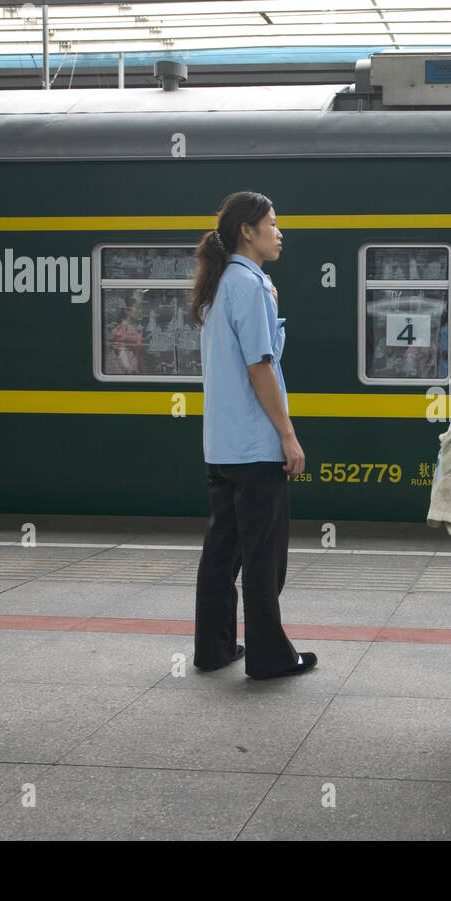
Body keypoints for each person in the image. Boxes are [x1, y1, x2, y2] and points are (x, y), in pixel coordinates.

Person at [190, 191, 316, 679]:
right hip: (255, 446)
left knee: (221, 554)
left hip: (221, 446)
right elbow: (261, 368)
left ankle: (214, 648)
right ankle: (269, 658)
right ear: (248, 230)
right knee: (264, 559)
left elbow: (255, 355)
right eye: (273, 222)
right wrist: (288, 435)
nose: (279, 232)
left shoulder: (222, 283)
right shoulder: (251, 284)